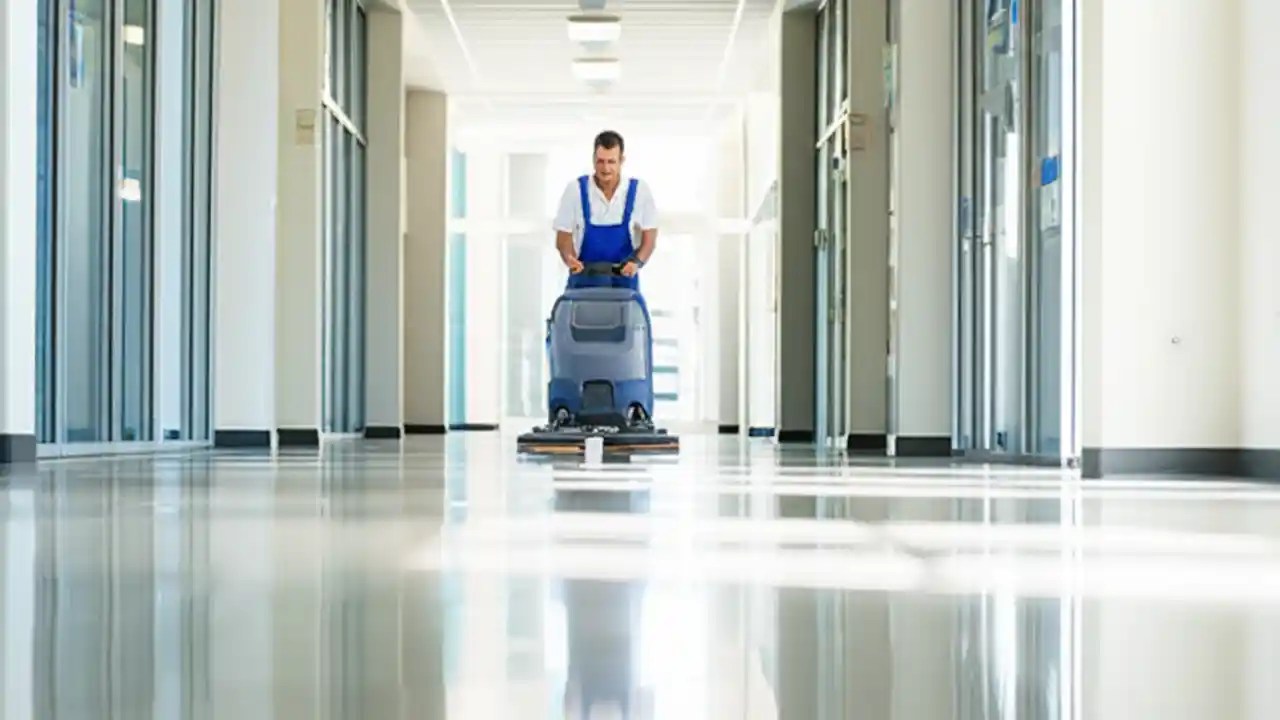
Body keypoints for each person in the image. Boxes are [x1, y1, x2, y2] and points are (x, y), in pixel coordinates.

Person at [552, 130, 658, 293]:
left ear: (621, 160)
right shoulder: (575, 190)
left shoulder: (639, 191)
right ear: (593, 159)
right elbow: (563, 237)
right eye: (600, 161)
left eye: (611, 161)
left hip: (624, 286)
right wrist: (569, 259)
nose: (606, 168)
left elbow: (649, 239)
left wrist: (637, 262)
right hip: (583, 282)